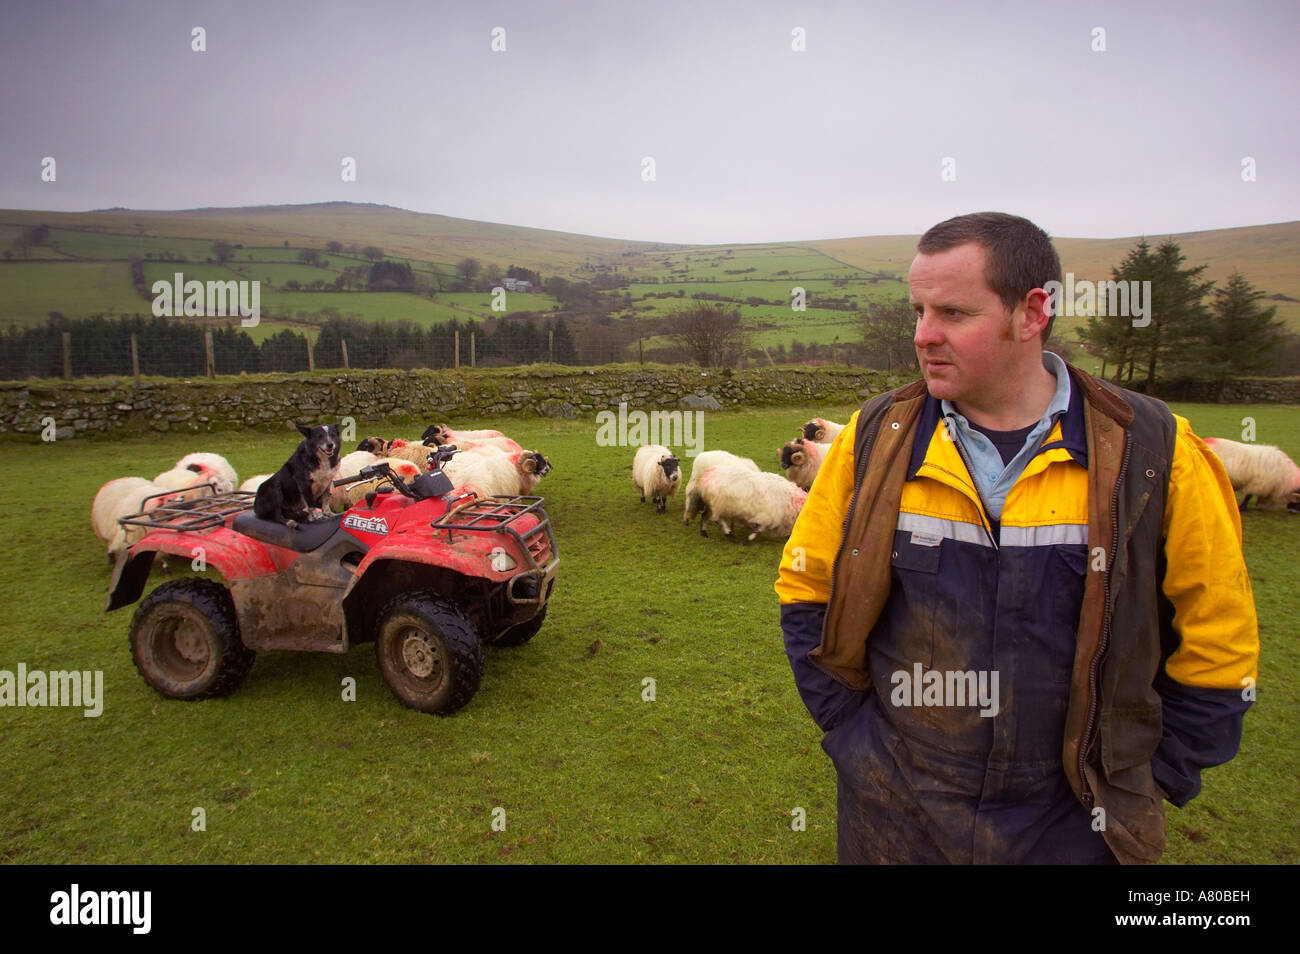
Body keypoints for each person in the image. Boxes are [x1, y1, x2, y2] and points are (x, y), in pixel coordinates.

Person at [774, 212, 1259, 864]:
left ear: (1031, 313)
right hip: (895, 810)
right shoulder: (875, 438)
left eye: (952, 313)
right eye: (917, 310)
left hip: (1077, 823)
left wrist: (1155, 775)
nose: (923, 336)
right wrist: (854, 731)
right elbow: (806, 586)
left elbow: (1218, 639)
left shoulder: (1154, 451)